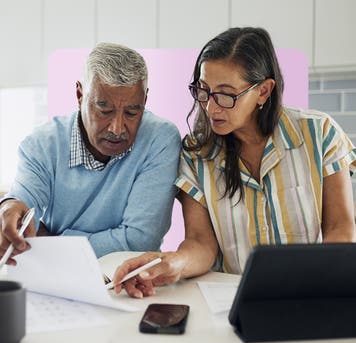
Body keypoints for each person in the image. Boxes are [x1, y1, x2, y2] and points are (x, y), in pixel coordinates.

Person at [110, 27, 356, 299]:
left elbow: (340, 228)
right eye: (203, 91)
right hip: (233, 300)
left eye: (226, 95)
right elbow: (201, 243)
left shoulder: (319, 134)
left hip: (310, 293)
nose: (211, 108)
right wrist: (171, 263)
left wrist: (319, 281)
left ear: (263, 91)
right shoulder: (196, 155)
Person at [0, 43, 181, 264]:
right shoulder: (41, 145)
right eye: (104, 111)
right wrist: (9, 208)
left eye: (132, 112)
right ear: (79, 94)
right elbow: (22, 214)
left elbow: (140, 241)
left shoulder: (160, 139)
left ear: (145, 101)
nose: (117, 128)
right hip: (53, 276)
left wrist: (52, 241)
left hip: (127, 279)